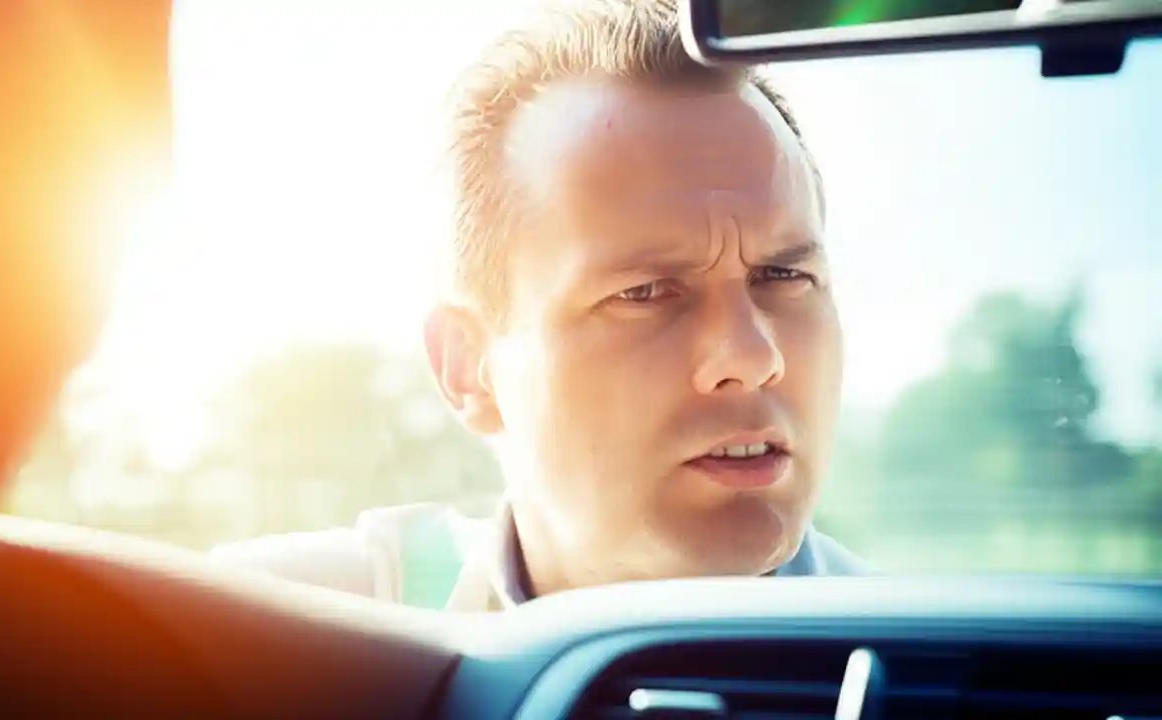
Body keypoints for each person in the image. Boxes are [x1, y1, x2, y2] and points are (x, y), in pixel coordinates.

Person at [213, 0, 867, 611]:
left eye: (784, 275)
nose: (753, 356)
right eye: (644, 294)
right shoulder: (312, 629)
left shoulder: (951, 668)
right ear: (469, 369)